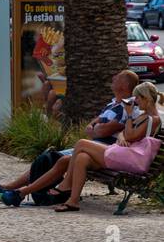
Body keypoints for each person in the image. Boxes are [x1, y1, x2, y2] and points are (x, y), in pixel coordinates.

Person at [0, 70, 135, 203]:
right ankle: (13, 189)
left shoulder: (126, 107)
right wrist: (96, 127)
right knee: (49, 157)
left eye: (118, 77)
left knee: (57, 159)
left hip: (103, 151)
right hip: (92, 147)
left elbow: (103, 131)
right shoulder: (113, 103)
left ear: (125, 86)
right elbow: (94, 124)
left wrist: (96, 128)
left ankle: (19, 192)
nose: (114, 78)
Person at [46, 81, 162, 212]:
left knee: (81, 143)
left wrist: (128, 115)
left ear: (146, 98)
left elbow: (130, 135)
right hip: (125, 153)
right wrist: (122, 137)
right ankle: (73, 201)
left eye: (138, 98)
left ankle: (66, 185)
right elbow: (122, 134)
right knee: (82, 158)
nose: (135, 101)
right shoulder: (143, 116)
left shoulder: (154, 119)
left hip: (132, 159)